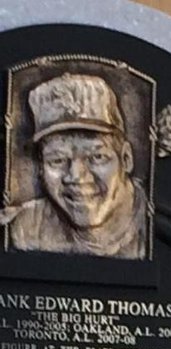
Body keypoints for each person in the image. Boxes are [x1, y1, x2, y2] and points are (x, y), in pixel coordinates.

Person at [1, 73, 148, 258]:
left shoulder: (153, 226)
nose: (77, 176)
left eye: (97, 157)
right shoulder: (26, 227)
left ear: (126, 159)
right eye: (58, 160)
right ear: (40, 168)